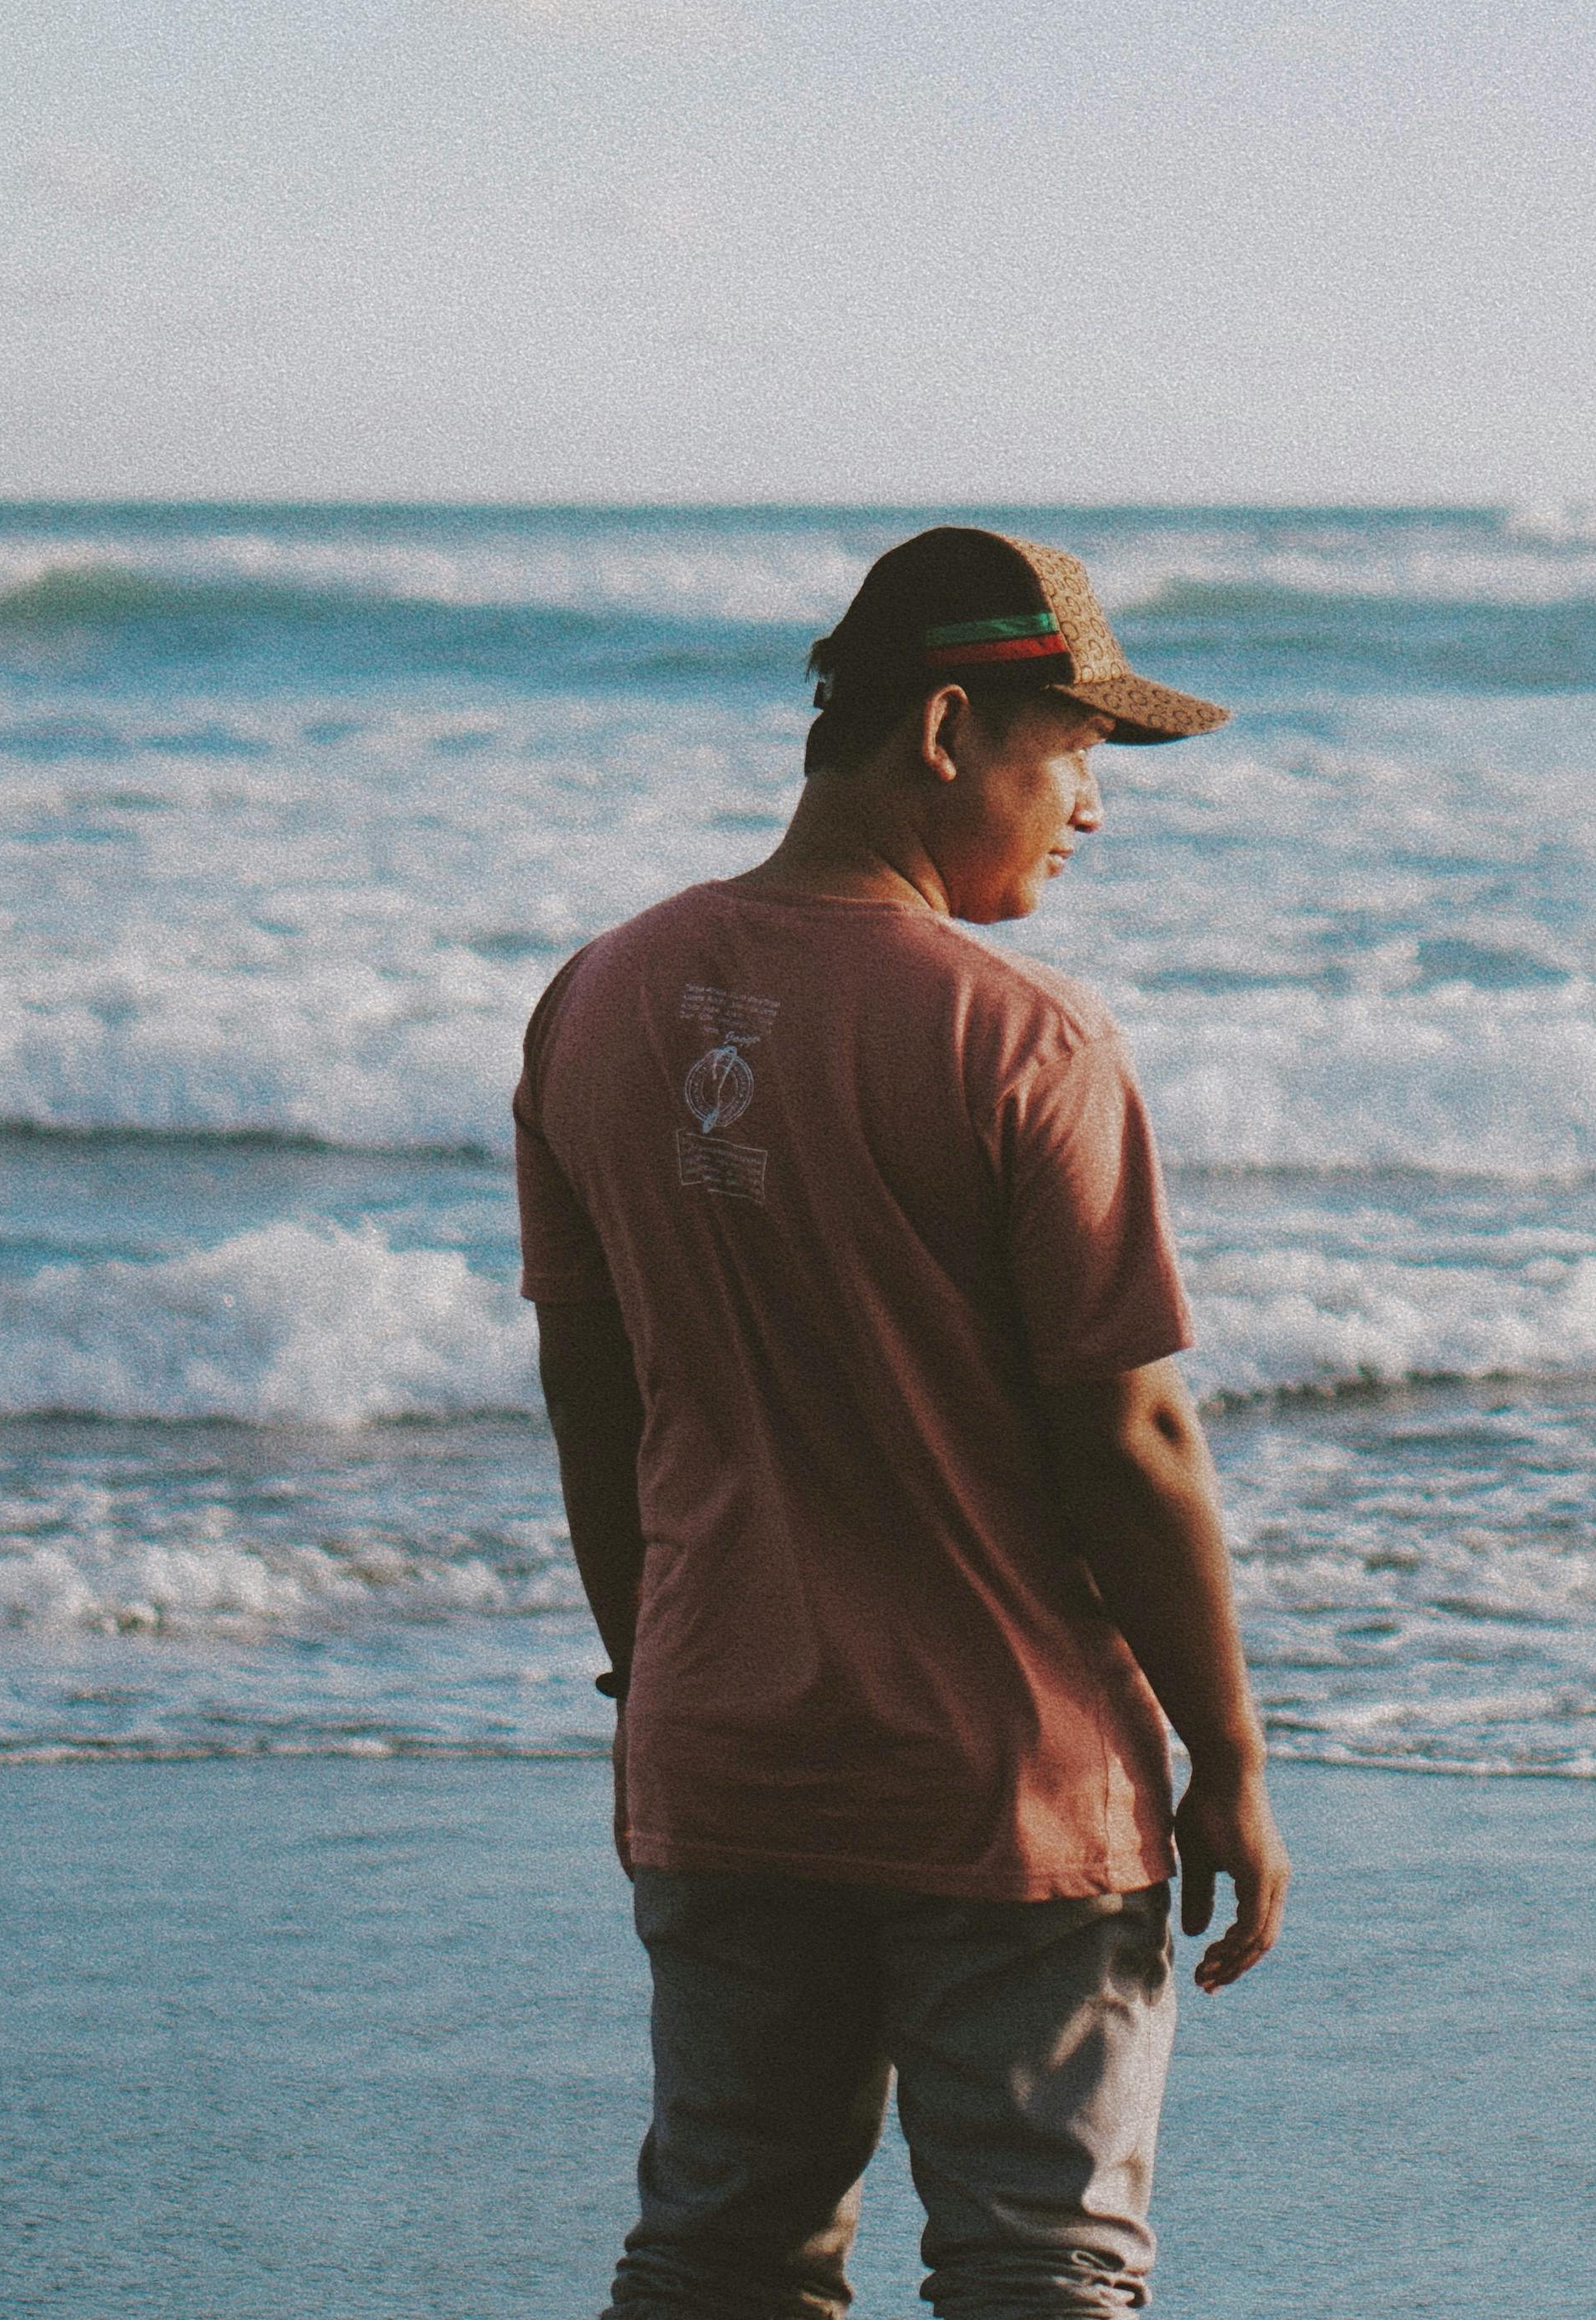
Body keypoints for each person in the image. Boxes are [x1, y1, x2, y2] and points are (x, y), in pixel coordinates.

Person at [514, 525, 1290, 2320]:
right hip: (1006, 1778)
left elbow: (591, 1398)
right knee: (1039, 2263)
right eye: (1073, 748)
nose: (1093, 805)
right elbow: (1132, 1441)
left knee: (721, 2254)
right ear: (946, 729)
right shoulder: (1021, 1039)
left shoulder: (599, 997)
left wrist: (658, 1665)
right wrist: (1231, 1755)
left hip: (724, 1752)